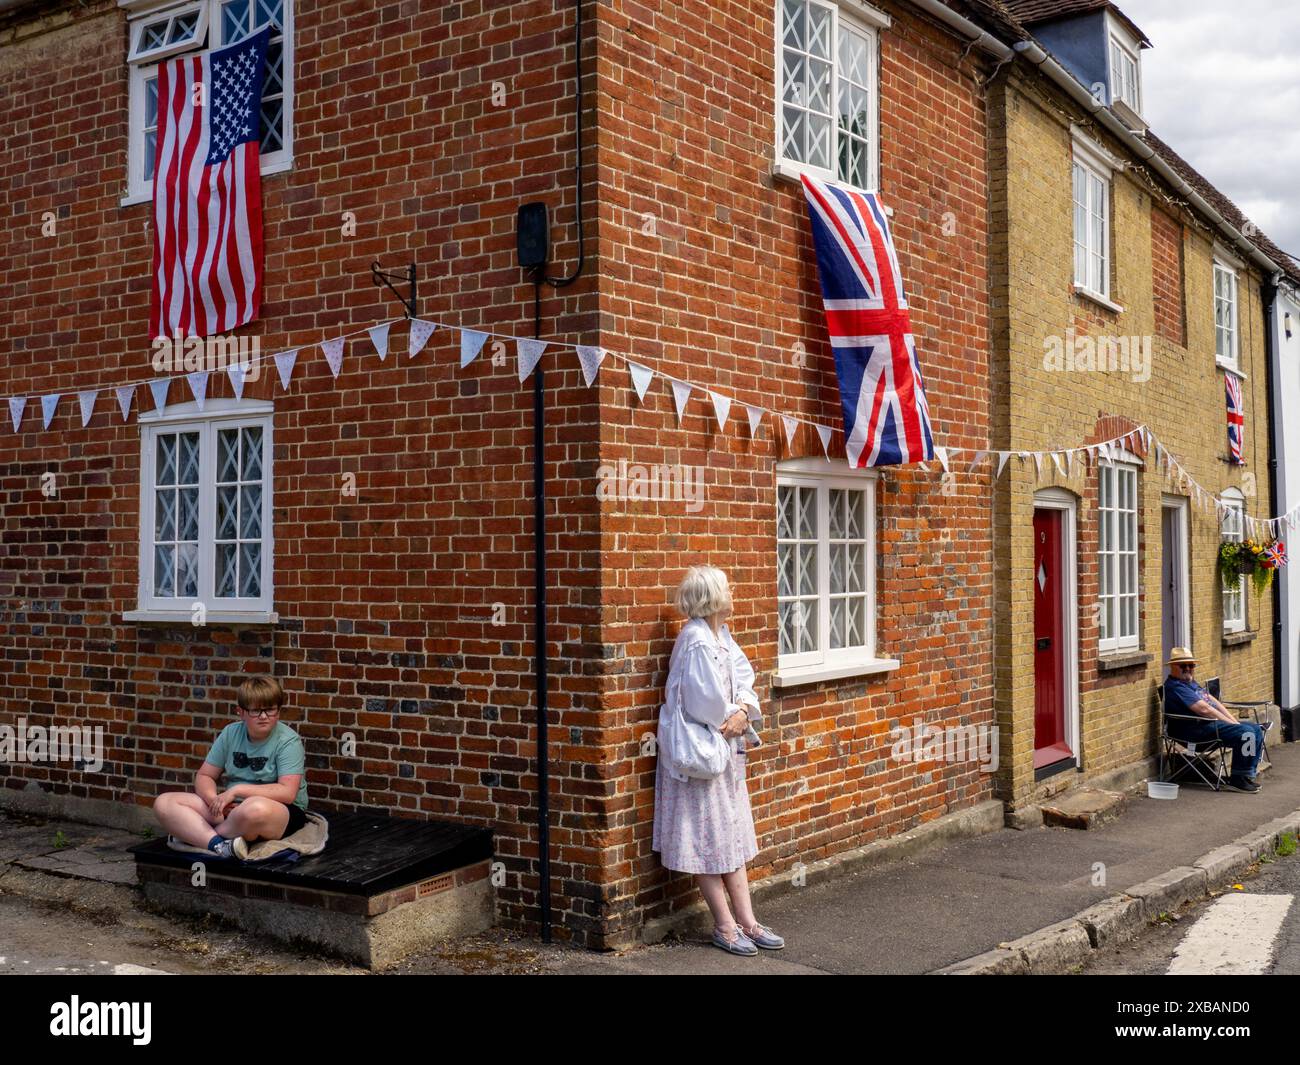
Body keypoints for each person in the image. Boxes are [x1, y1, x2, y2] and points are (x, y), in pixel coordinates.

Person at [652, 564, 785, 956]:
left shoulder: (720, 634)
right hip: (701, 758)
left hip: (723, 751)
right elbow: (702, 702)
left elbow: (743, 674)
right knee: (707, 840)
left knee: (730, 835)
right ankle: (725, 927)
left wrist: (745, 706)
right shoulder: (694, 640)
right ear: (712, 596)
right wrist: (736, 714)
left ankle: (748, 921)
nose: (732, 592)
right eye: (727, 587)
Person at [153, 675, 310, 858]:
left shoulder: (288, 741)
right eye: (256, 711)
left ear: (279, 711)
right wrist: (214, 801)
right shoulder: (230, 733)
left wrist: (237, 791)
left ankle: (195, 834)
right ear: (241, 712)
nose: (264, 717)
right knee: (164, 803)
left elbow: (287, 793)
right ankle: (220, 846)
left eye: (270, 710)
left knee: (254, 809)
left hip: (278, 811)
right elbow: (205, 776)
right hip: (233, 809)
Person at [1162, 647, 1265, 793]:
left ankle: (1246, 775)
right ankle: (1237, 780)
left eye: (1191, 665)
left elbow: (1212, 701)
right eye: (1183, 665)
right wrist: (1231, 724)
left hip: (1206, 726)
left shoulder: (1189, 683)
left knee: (1255, 729)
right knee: (1247, 733)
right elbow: (1205, 710)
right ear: (1172, 667)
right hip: (1194, 733)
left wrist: (1234, 721)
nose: (1188, 668)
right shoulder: (1176, 687)